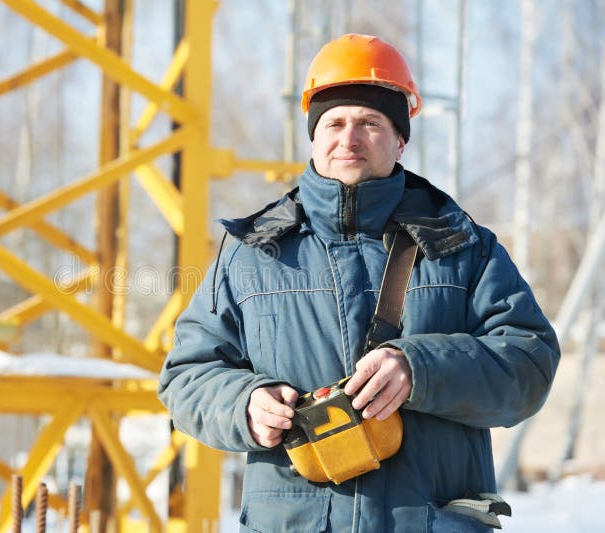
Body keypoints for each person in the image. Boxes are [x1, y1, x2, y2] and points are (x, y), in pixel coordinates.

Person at [158, 33, 560, 532]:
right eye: (334, 122)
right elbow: (186, 377)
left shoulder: (463, 246)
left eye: (370, 123)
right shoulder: (252, 253)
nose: (349, 139)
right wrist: (243, 404)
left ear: (400, 139)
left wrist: (421, 369)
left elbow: (530, 362)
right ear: (314, 135)